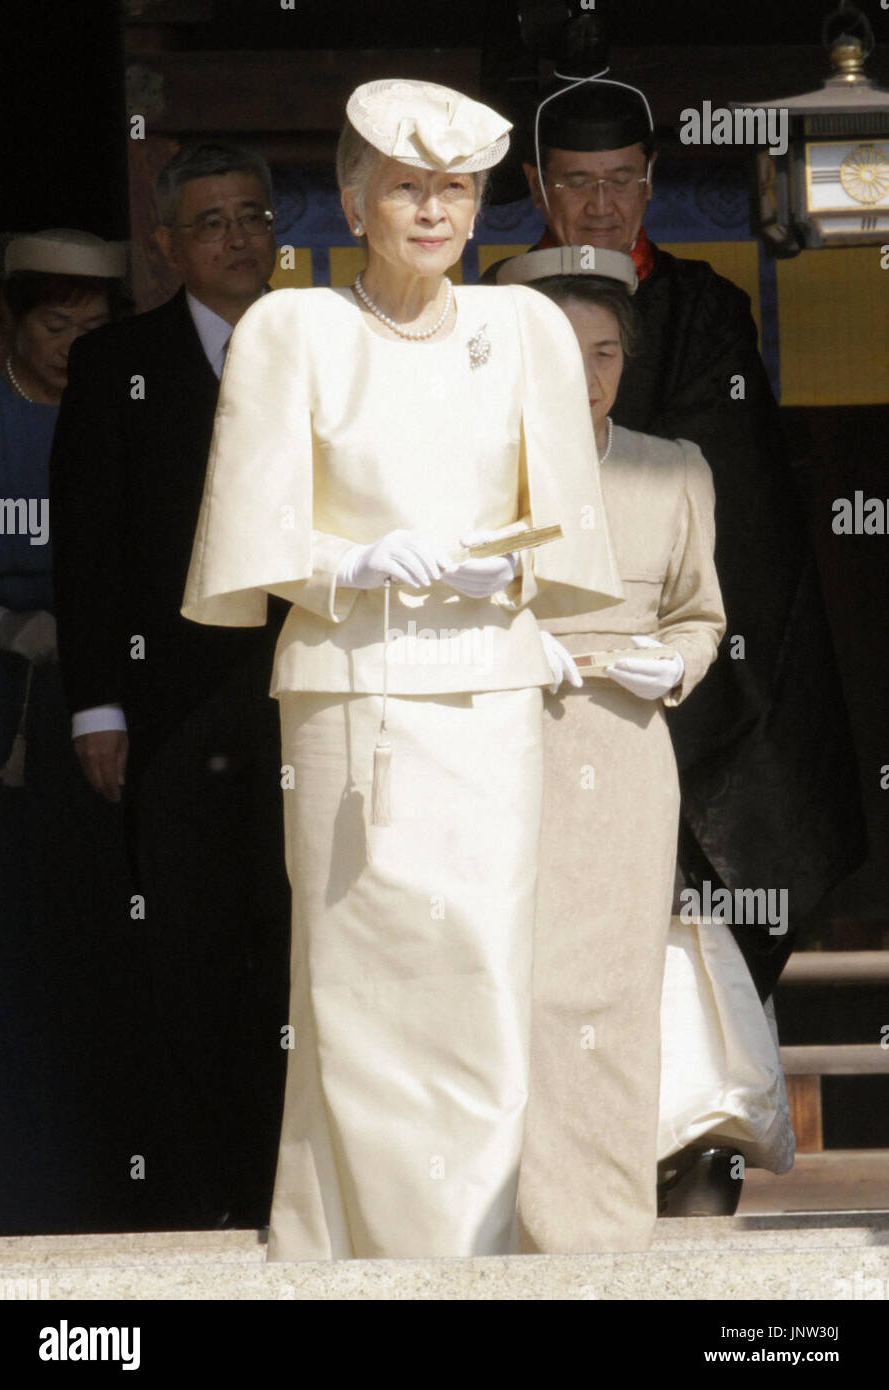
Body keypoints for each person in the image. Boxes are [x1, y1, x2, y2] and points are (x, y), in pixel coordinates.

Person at [181, 77, 623, 1261]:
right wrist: (350, 562)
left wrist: (508, 578)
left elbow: (568, 537)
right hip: (352, 691)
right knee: (360, 986)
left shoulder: (524, 328)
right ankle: (358, 1251)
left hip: (487, 691)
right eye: (407, 186)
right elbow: (250, 541)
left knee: (481, 969)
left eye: (457, 189)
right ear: (350, 197)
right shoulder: (294, 330)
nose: (434, 210)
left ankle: (470, 1250)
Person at [483, 76, 864, 1002]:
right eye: (578, 182)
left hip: (676, 667)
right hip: (525, 670)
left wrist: (673, 644)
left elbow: (748, 533)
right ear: (538, 187)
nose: (602, 205)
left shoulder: (706, 310)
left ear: (650, 181)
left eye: (622, 179)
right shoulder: (492, 313)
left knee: (687, 979)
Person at [502, 252, 793, 1251]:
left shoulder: (673, 467)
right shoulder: (479, 466)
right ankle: (524, 1214)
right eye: (564, 351)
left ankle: (612, 1213)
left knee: (620, 983)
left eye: (606, 352)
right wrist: (512, 646)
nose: (587, 375)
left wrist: (665, 667)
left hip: (626, 746)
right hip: (508, 739)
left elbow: (702, 615)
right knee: (522, 982)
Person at [50, 143, 291, 1229]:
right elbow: (87, 548)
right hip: (172, 704)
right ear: (165, 244)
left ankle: (302, 1189)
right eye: (212, 222)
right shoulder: (117, 364)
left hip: (311, 697)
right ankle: (207, 1197)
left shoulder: (328, 346)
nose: (239, 237)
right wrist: (97, 702)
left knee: (301, 951)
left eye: (252, 215)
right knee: (192, 956)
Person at [0, 229, 135, 1231]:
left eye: (93, 328)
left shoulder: (118, 411)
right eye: (54, 325)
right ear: (10, 321)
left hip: (100, 709)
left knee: (99, 939)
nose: (74, 347)